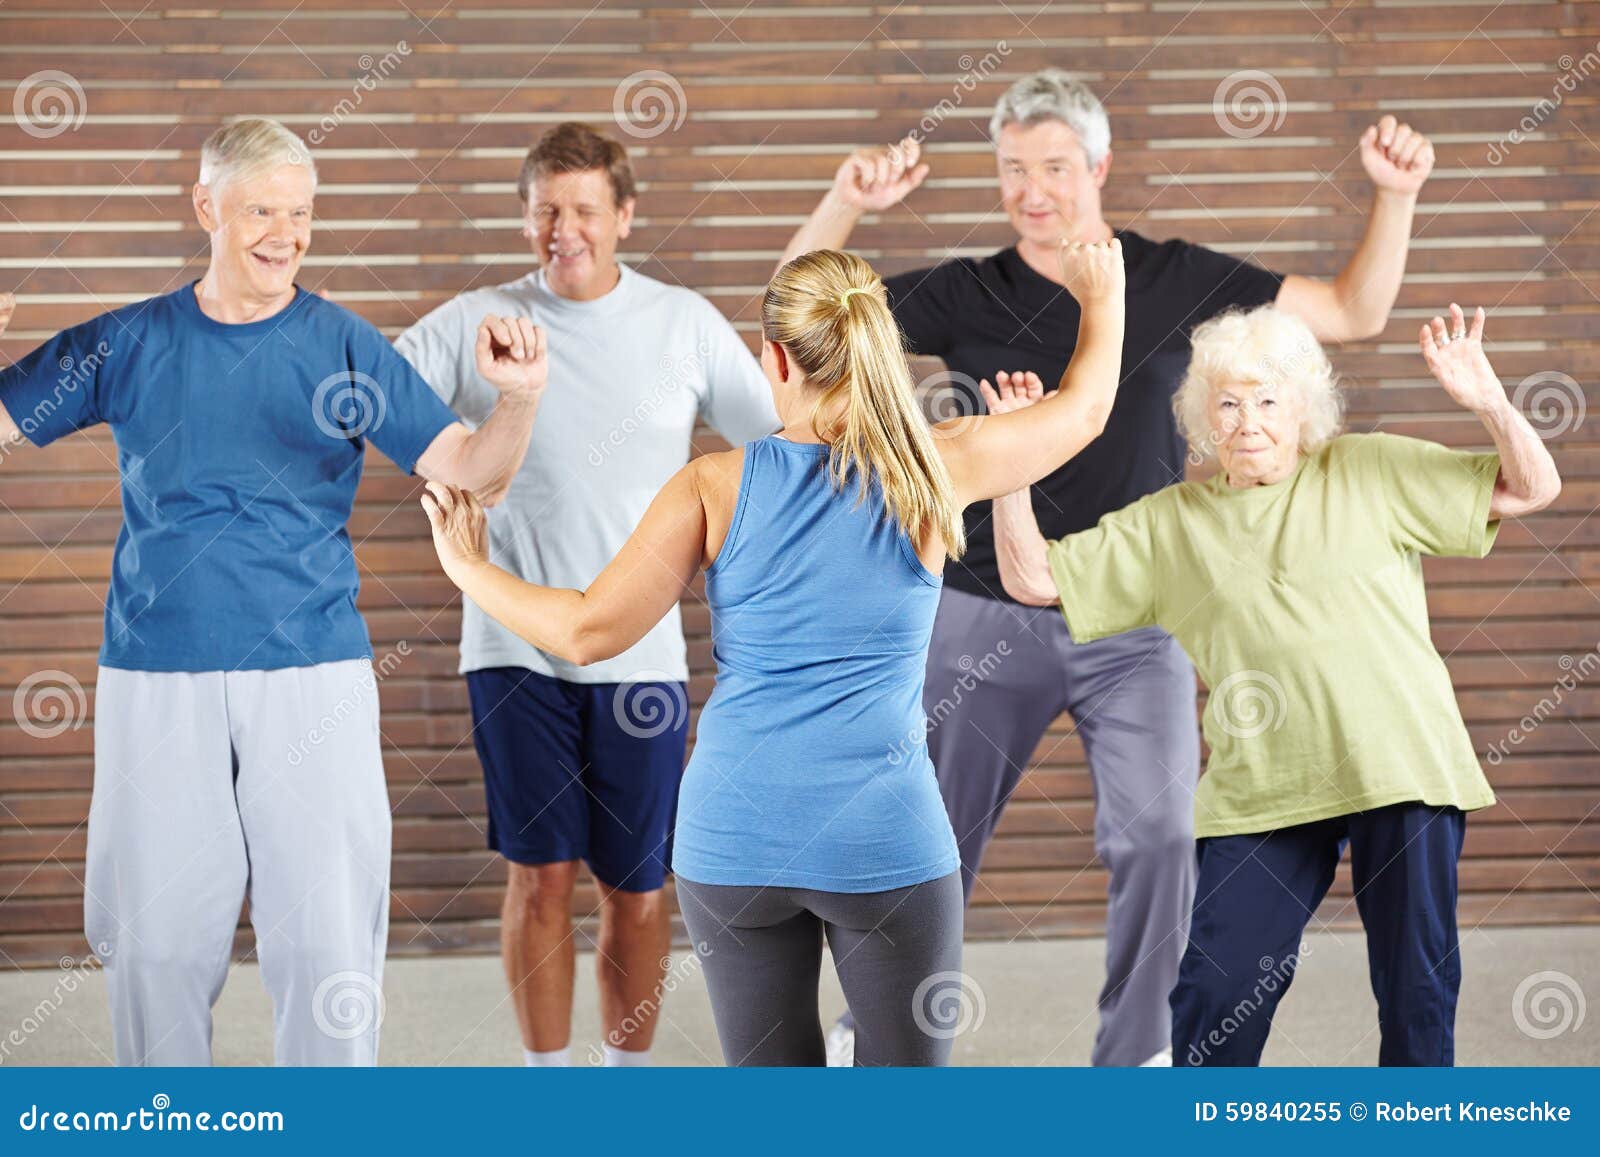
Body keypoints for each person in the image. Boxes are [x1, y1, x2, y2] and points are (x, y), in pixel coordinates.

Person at [782, 67, 1439, 1066]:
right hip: (978, 613)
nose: (1030, 188)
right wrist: (847, 203)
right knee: (927, 846)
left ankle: (1137, 1057)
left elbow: (1353, 308)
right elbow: (800, 317)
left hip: (1131, 623)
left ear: (1097, 165)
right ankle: (877, 1027)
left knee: (1160, 838)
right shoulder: (968, 289)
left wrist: (1395, 194)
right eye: (1011, 170)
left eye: (1052, 165)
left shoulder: (1174, 276)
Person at [420, 240, 1128, 1065]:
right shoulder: (940, 462)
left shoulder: (713, 485)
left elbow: (586, 628)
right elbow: (1086, 408)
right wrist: (1101, 293)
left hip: (737, 839)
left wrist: (467, 563)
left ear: (774, 358)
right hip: (885, 839)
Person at [0, 118, 549, 1066]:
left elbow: (471, 474)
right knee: (156, 943)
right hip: (156, 673)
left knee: (328, 940)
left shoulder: (343, 343)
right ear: (207, 207)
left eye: (301, 214)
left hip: (312, 672)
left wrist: (520, 399)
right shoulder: (127, 342)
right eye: (263, 210)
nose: (285, 234)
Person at [988, 302, 1561, 1065]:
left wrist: (1489, 398)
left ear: (1304, 408)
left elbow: (1531, 488)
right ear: (1203, 418)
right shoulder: (1173, 525)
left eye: (1267, 398)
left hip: (1401, 768)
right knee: (1215, 993)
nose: (1248, 419)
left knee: (1417, 994)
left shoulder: (1369, 468)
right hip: (1264, 788)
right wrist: (1009, 462)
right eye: (1227, 401)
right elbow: (1031, 578)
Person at [393, 122, 778, 1068]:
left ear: (625, 215)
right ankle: (549, 1086)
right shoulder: (483, 315)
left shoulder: (683, 322)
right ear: (526, 216)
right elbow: (376, 391)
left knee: (639, 889)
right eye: (546, 211)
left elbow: (777, 439)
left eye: (585, 210)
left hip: (641, 659)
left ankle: (623, 1086)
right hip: (513, 647)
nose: (565, 229)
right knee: (540, 875)